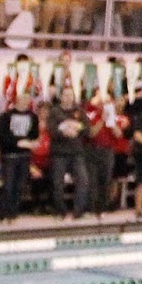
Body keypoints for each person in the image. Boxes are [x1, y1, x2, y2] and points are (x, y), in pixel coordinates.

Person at [46, 87, 91, 219]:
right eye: (66, 95)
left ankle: (78, 211)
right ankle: (61, 211)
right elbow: (52, 130)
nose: (68, 97)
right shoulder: (54, 112)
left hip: (76, 152)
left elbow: (86, 129)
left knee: (83, 180)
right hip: (59, 153)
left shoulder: (79, 112)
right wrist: (64, 132)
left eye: (71, 95)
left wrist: (77, 127)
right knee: (57, 183)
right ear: (61, 97)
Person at [0, 90, 39, 222]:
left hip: (24, 156)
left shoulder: (32, 117)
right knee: (8, 185)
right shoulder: (6, 116)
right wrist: (18, 143)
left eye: (27, 101)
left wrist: (30, 143)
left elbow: (34, 135)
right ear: (17, 101)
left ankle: (13, 213)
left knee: (20, 186)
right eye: (22, 100)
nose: (25, 103)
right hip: (10, 155)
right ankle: (2, 213)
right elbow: (1, 136)